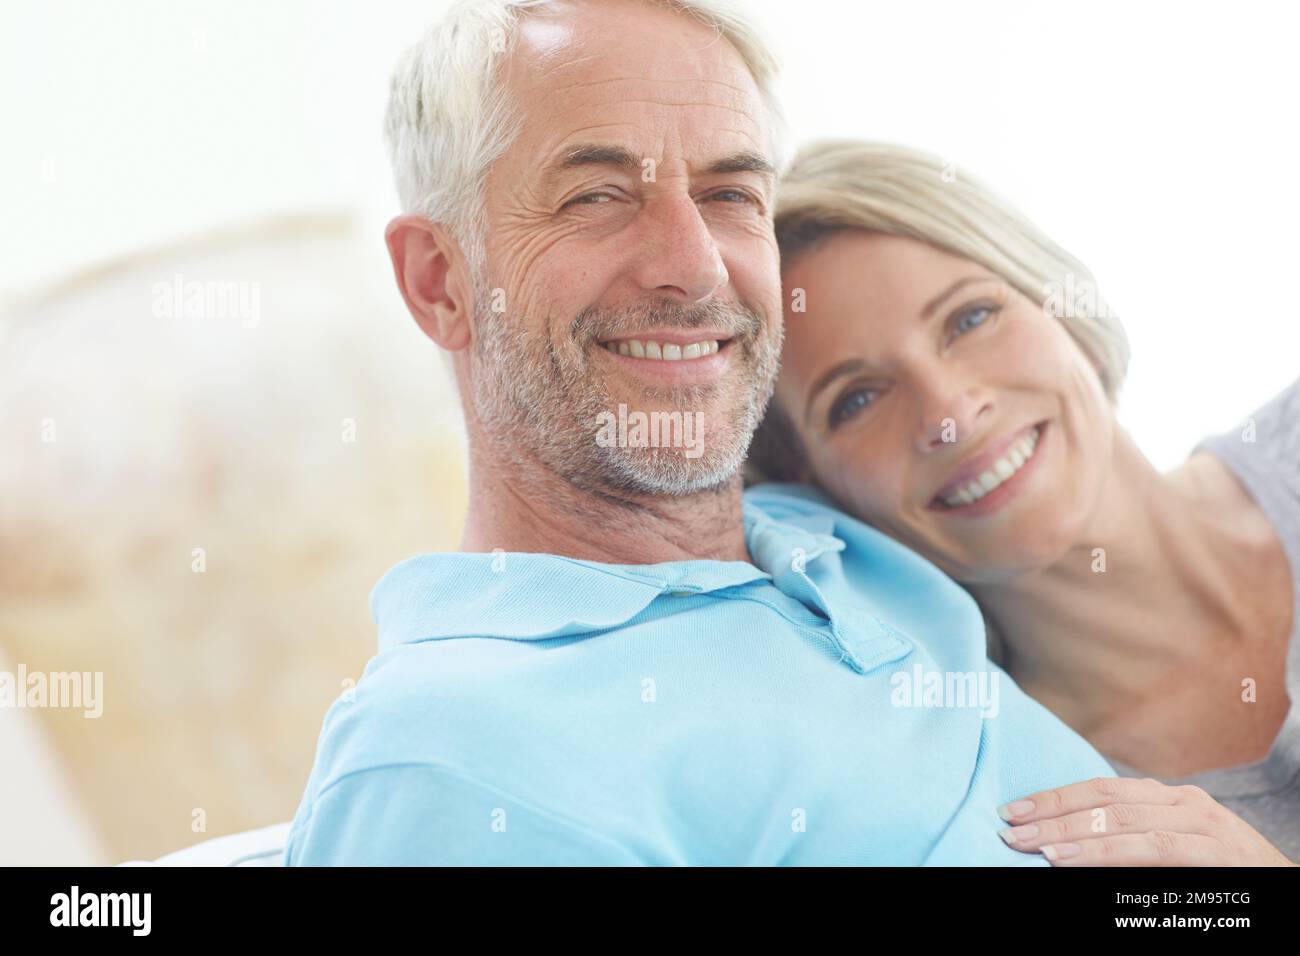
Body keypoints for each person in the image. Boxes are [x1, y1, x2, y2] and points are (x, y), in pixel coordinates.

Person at [284, 0, 1114, 866]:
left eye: (730, 194)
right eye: (596, 196)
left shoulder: (841, 531)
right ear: (440, 282)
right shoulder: (440, 755)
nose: (697, 264)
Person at [748, 138, 1298, 865]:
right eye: (857, 399)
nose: (952, 412)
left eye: (969, 319)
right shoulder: (1024, 817)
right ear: (811, 488)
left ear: (1059, 301)